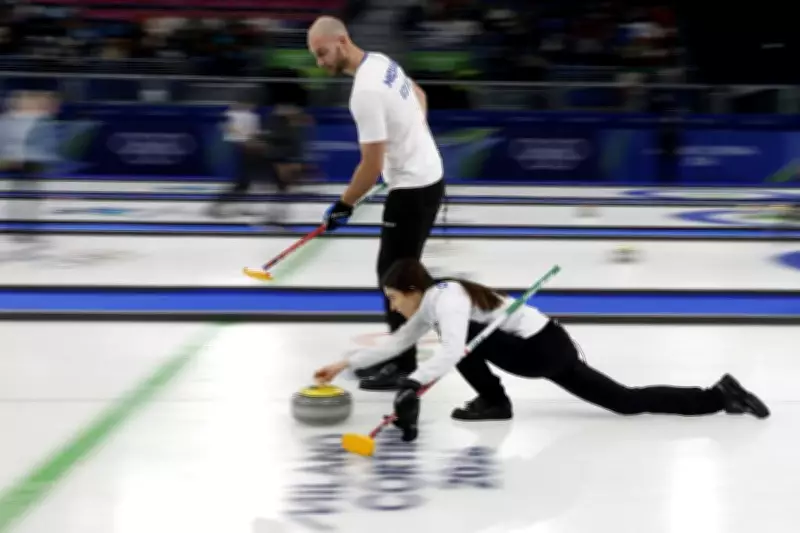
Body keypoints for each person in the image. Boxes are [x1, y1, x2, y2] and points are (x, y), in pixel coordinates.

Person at [313, 258, 771, 443]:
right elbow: (400, 341)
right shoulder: (434, 302)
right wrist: (342, 363)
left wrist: (412, 384)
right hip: (538, 348)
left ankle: (494, 402)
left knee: (465, 344)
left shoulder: (447, 299)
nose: (392, 305)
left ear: (412, 288)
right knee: (626, 402)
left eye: (394, 297)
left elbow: (452, 349)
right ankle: (718, 394)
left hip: (542, 350)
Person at [307, 16, 445, 391]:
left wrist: (343, 205)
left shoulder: (364, 92)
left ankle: (404, 364)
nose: (320, 63)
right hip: (426, 178)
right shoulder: (382, 62)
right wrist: (413, 140)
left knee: (394, 279)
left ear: (341, 40)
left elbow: (369, 165)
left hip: (413, 190)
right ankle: (402, 357)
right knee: (400, 274)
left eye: (322, 53)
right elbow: (420, 95)